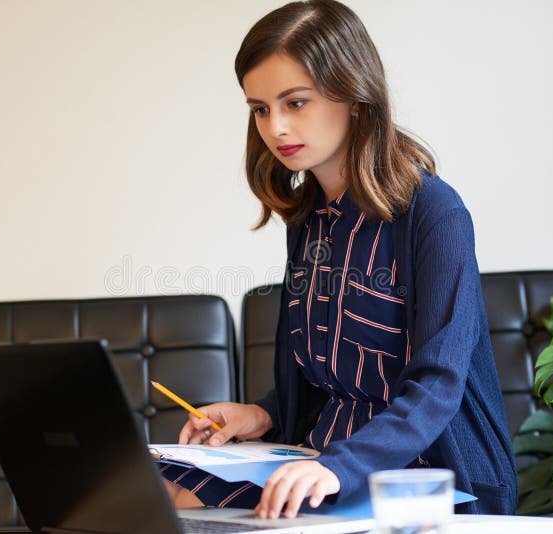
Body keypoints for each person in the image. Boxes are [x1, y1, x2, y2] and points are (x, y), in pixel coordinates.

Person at [162, 0, 517, 519]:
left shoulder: (435, 213)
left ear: (354, 95)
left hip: (422, 473)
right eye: (260, 109)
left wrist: (337, 467)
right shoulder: (308, 220)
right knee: (164, 494)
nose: (276, 127)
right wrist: (260, 414)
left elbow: (439, 387)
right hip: (322, 456)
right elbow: (330, 376)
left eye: (295, 103)